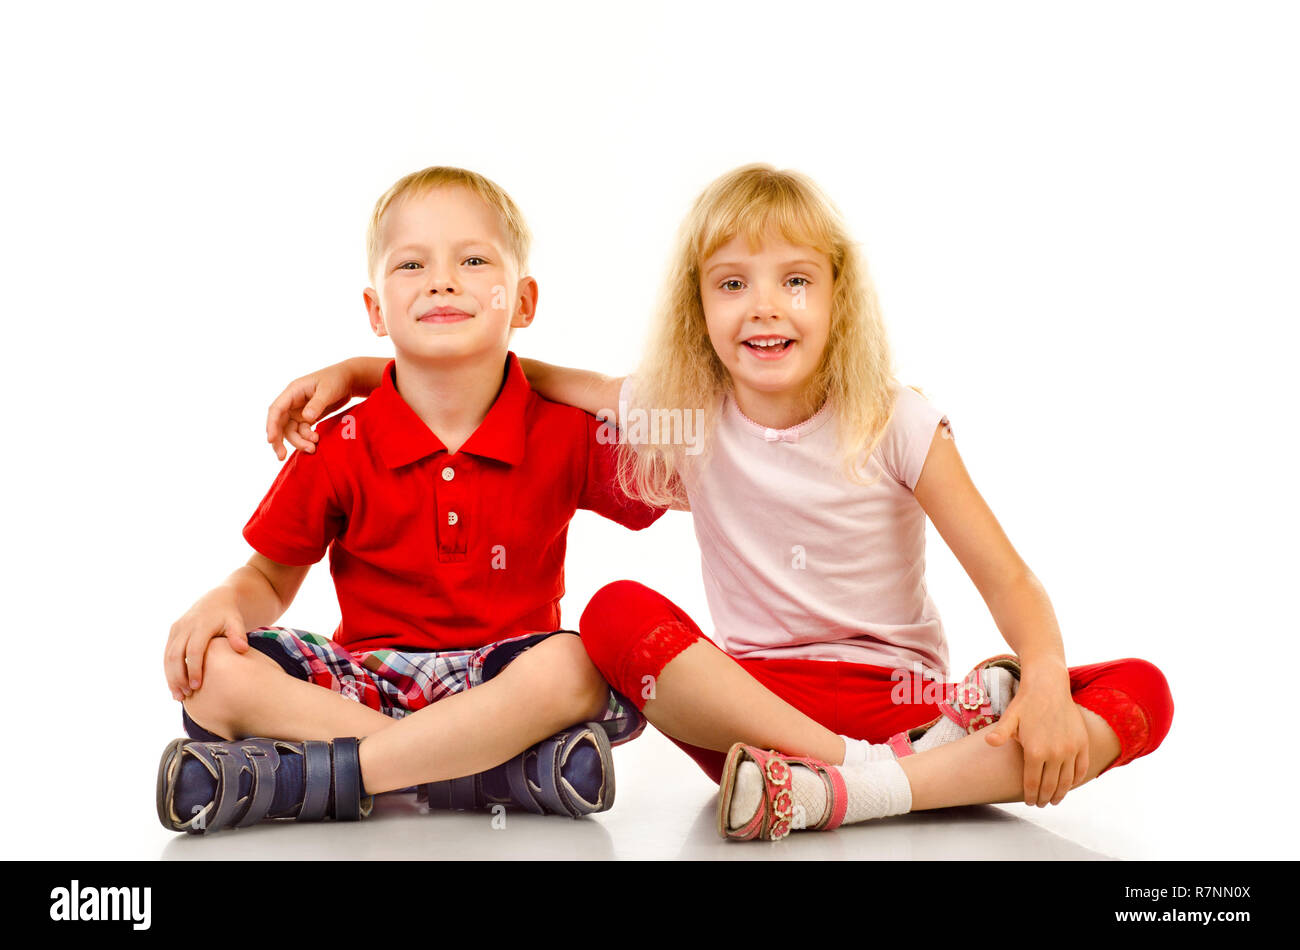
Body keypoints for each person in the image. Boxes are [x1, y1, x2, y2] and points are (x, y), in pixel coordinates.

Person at [266, 163, 1173, 842]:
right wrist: (363, 372)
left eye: (795, 281)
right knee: (615, 614)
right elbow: (514, 371)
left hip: (898, 693)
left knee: (1146, 692)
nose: (763, 308)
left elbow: (1008, 578)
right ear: (697, 309)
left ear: (837, 300)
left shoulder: (897, 421)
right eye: (731, 284)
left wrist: (1048, 688)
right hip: (755, 709)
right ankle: (905, 775)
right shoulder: (681, 417)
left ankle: (854, 789)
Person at [157, 166, 663, 835]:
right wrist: (226, 599)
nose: (442, 280)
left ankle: (322, 776)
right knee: (214, 672)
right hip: (363, 678)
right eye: (412, 265)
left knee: (576, 665)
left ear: (523, 302)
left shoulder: (563, 431)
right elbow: (267, 579)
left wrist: (595, 386)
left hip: (498, 680)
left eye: (474, 260)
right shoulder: (341, 438)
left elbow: (686, 471)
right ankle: (479, 774)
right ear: (375, 311)